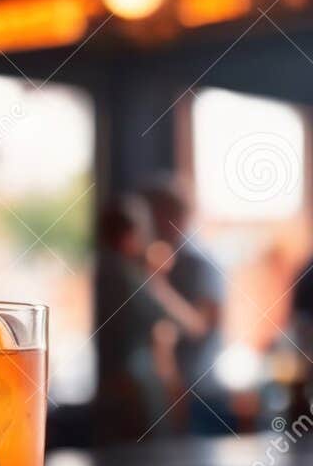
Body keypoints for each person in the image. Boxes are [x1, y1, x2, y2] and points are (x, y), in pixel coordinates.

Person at [94, 195, 208, 442]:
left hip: (113, 392)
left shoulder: (103, 270)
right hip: (139, 394)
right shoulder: (128, 276)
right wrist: (156, 278)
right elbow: (193, 325)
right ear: (130, 234)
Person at [144, 178, 230, 433]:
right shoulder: (154, 258)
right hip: (163, 394)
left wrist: (157, 284)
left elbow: (201, 325)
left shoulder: (199, 262)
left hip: (199, 393)